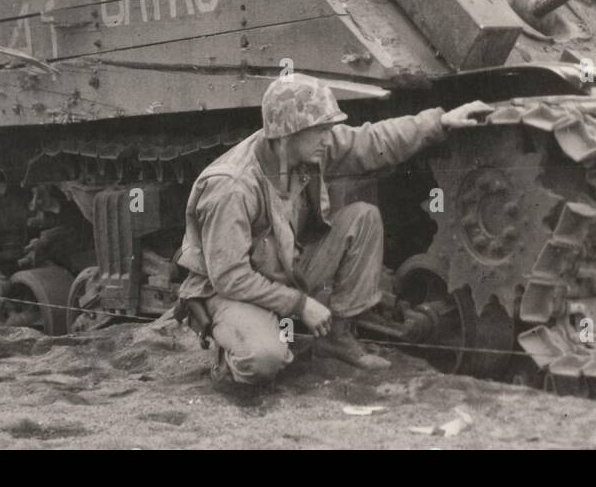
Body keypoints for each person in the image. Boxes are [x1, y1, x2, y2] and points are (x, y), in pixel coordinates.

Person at [176, 72, 490, 392]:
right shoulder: (231, 186)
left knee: (362, 219)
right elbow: (229, 277)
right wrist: (300, 305)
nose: (329, 138)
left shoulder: (306, 147)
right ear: (287, 134)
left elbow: (371, 141)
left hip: (281, 266)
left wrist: (440, 122)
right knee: (263, 359)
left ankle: (337, 338)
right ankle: (227, 359)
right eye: (320, 131)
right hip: (229, 289)